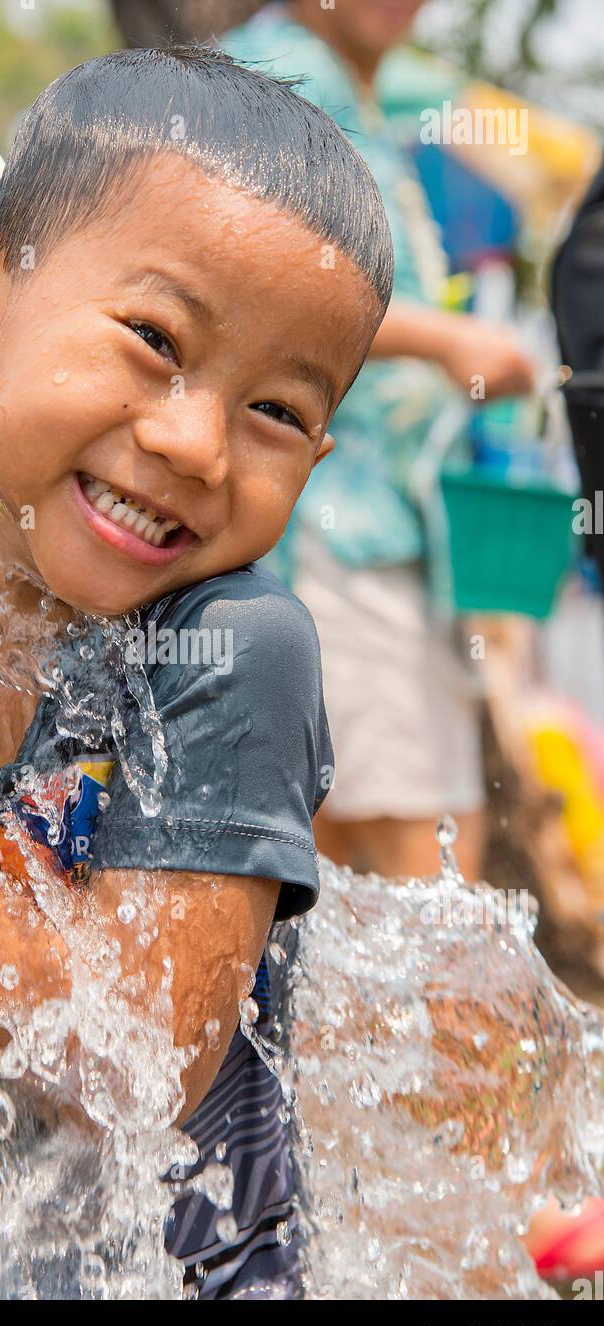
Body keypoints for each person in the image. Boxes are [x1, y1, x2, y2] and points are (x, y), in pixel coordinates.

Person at [0, 44, 393, 1299]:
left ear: (314, 460)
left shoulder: (229, 651)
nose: (195, 442)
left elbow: (135, 1070)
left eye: (274, 411)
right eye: (155, 338)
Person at [223, 0, 537, 880]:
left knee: (396, 849)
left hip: (382, 521)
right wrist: (451, 341)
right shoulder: (289, 74)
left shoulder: (369, 92)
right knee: (413, 852)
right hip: (329, 523)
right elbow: (269, 281)